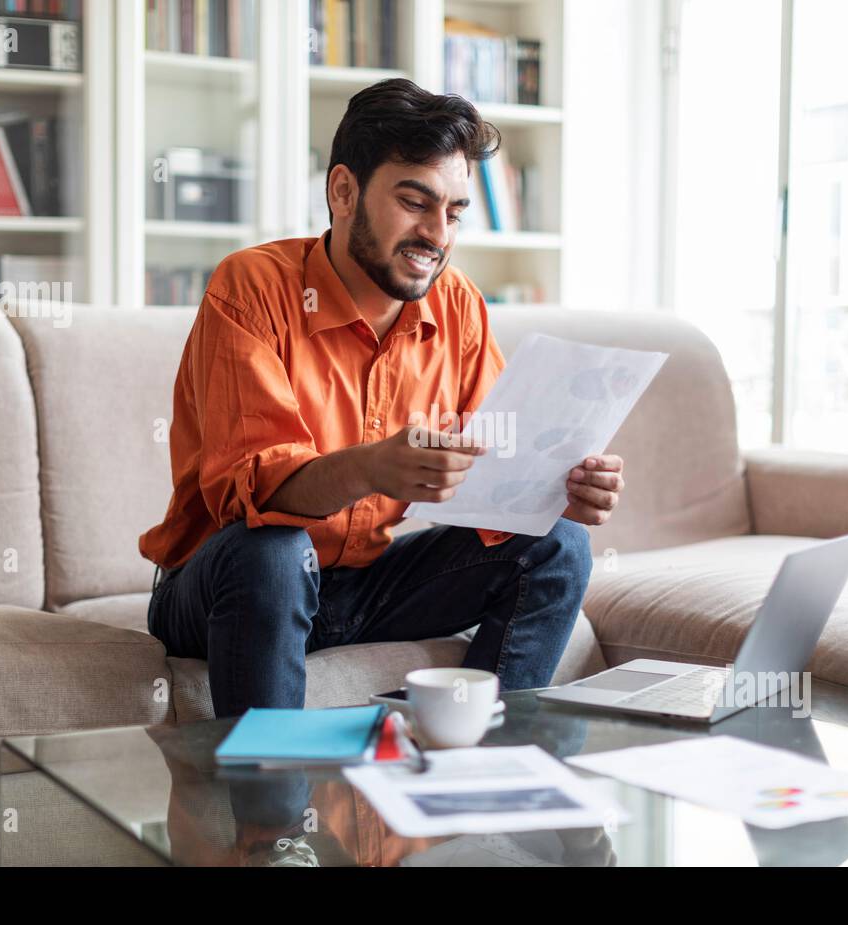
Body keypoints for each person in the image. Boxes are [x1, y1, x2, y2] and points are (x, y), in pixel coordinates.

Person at [140, 79, 625, 718]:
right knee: (277, 553)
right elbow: (249, 495)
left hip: (366, 584)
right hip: (228, 582)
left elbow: (498, 471)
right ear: (343, 191)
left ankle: (483, 769)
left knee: (558, 544)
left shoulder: (460, 307)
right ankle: (270, 809)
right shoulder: (252, 288)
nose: (436, 234)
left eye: (453, 212)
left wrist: (559, 486)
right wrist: (371, 466)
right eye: (414, 202)